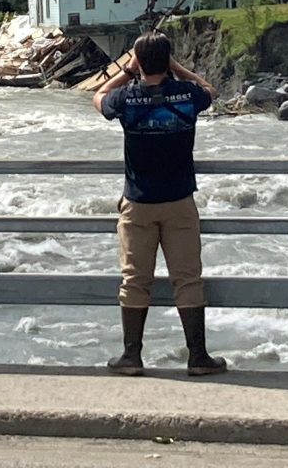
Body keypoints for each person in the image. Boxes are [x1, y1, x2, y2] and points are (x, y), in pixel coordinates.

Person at [93, 30, 227, 377]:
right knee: (187, 278)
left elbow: (99, 97)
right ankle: (198, 356)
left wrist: (128, 68)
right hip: (180, 199)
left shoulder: (126, 98)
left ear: (138, 62)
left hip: (139, 202)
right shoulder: (187, 94)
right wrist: (178, 68)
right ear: (167, 61)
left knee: (135, 279)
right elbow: (210, 90)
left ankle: (131, 357)